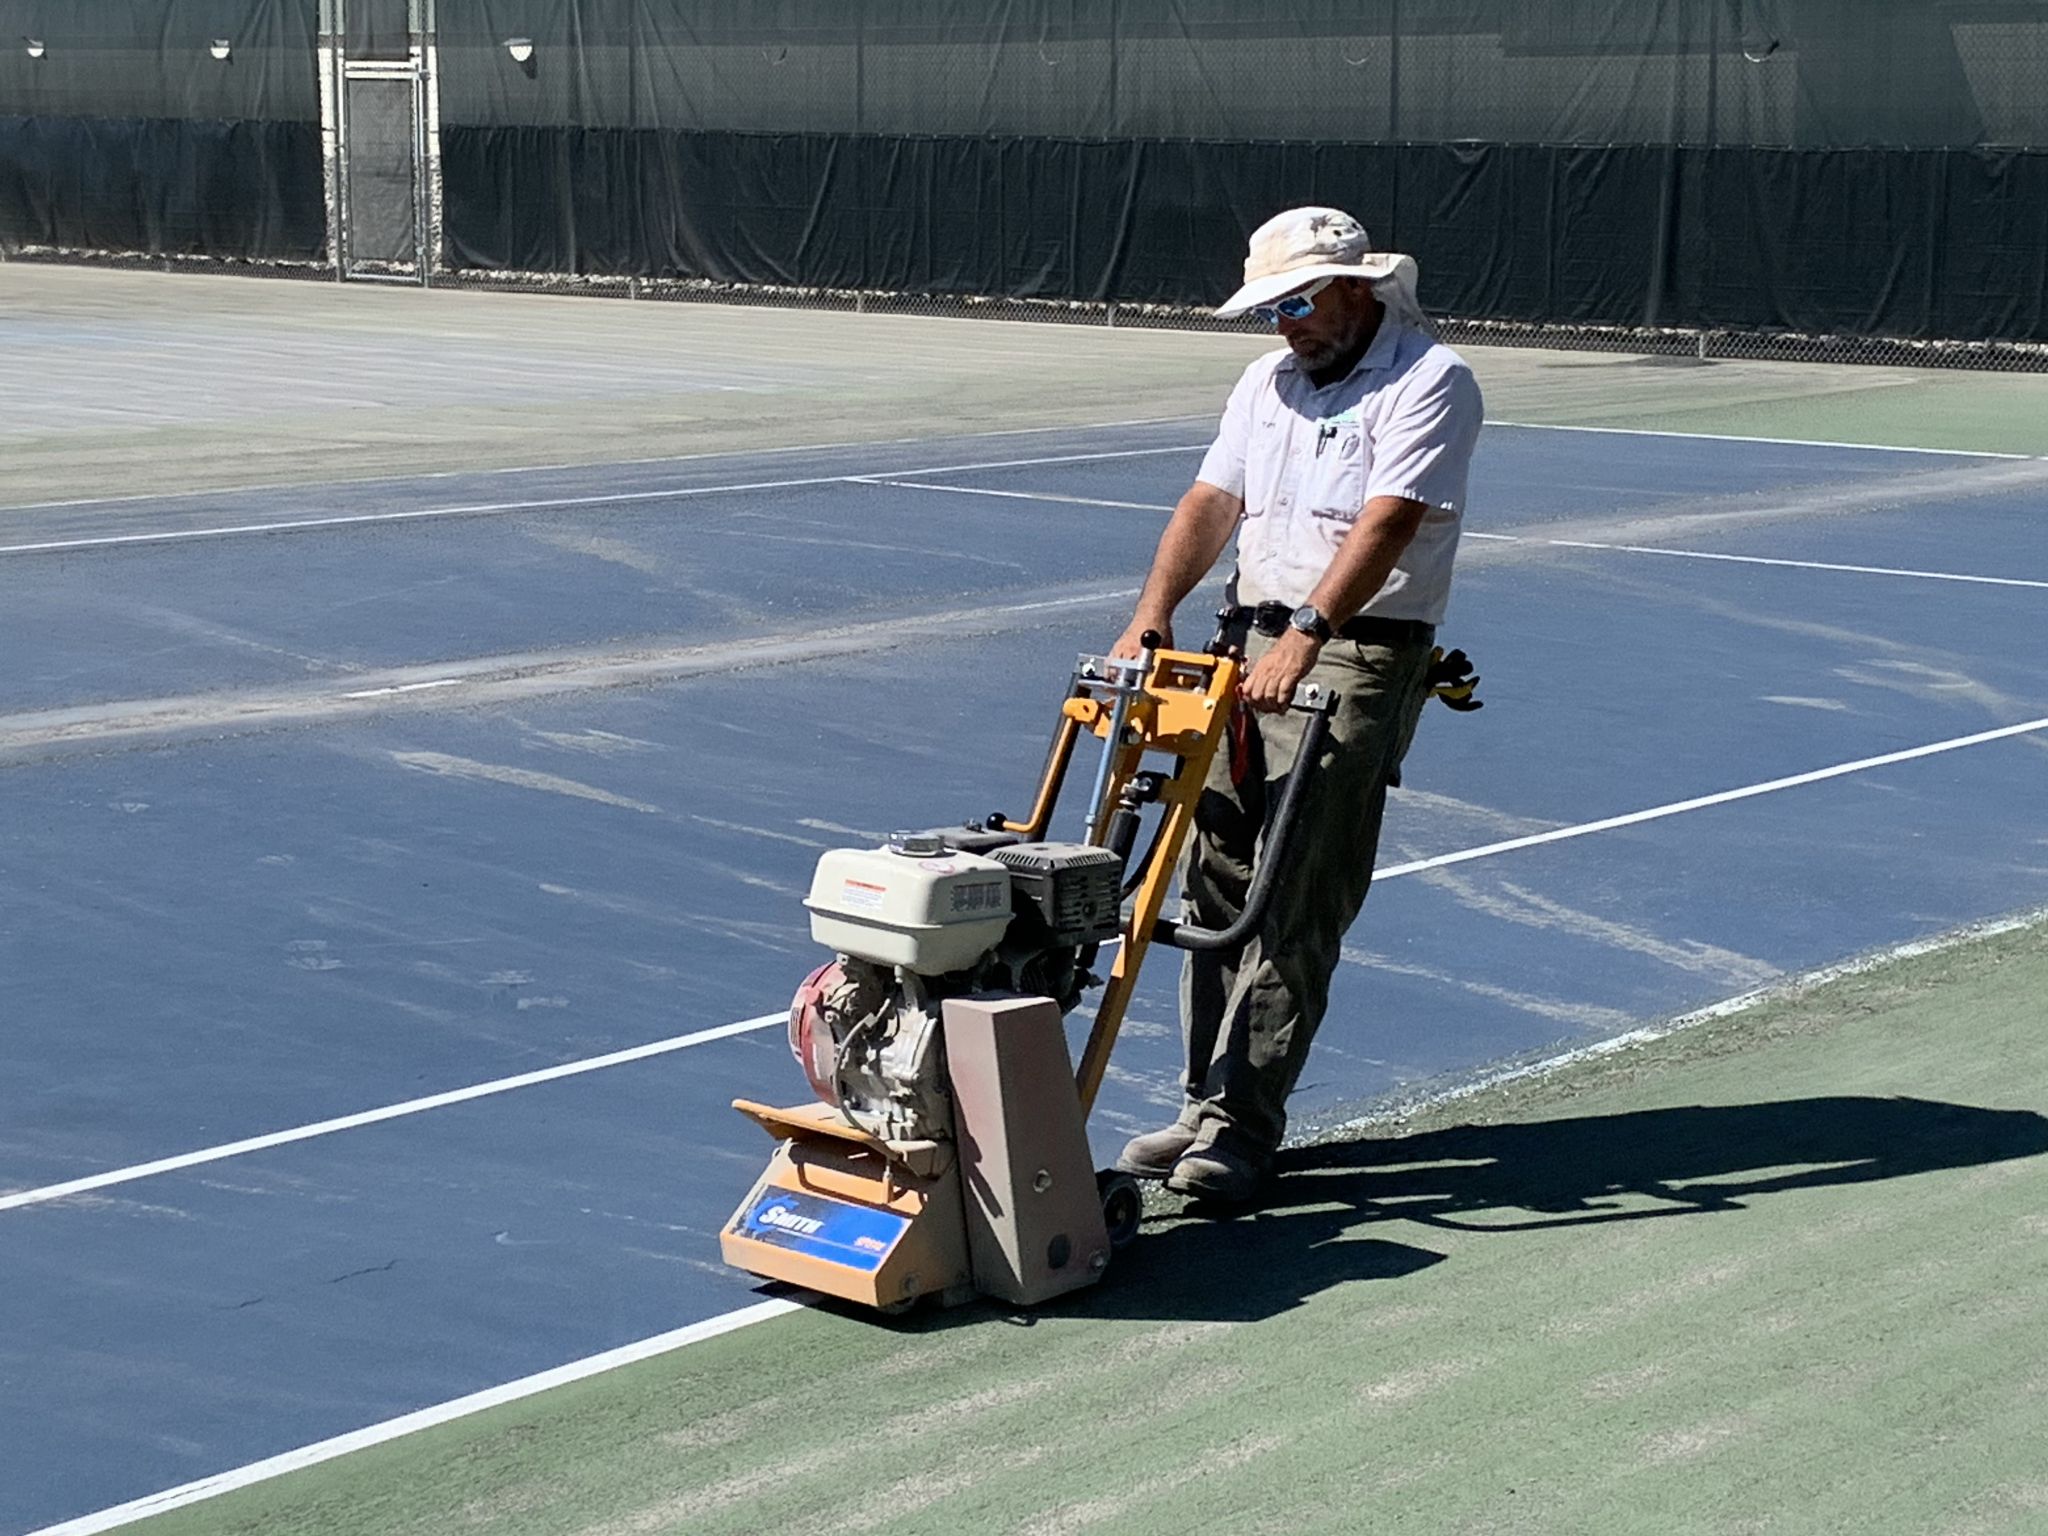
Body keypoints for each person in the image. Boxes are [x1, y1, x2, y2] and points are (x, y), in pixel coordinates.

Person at [1109, 205, 1484, 1203]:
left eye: (1302, 303)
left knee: (1295, 889)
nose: (1288, 326)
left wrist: (1308, 631)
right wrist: (1152, 616)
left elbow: (1389, 520)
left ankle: (1242, 1126)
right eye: (1274, 310)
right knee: (1213, 882)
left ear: (1361, 287)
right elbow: (1210, 503)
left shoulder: (1427, 380)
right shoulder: (1264, 382)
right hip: (1241, 647)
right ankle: (1199, 1103)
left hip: (1351, 652)